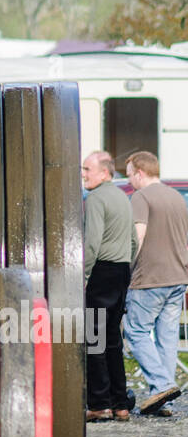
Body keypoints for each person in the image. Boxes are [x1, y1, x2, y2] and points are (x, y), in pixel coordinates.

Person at [122, 150, 188, 417]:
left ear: (140, 172)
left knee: (136, 333)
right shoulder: (177, 197)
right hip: (177, 277)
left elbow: (137, 236)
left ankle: (163, 385)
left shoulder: (141, 197)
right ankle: (165, 401)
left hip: (149, 278)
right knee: (167, 338)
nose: (129, 182)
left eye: (129, 176)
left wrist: (125, 270)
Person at [82, 150, 136, 422]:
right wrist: (127, 269)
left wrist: (84, 275)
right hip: (122, 271)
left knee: (94, 339)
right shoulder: (123, 197)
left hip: (101, 271)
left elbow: (91, 243)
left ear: (105, 172)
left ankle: (99, 403)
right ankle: (120, 404)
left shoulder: (96, 198)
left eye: (87, 169)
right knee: (113, 340)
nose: (83, 174)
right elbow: (134, 242)